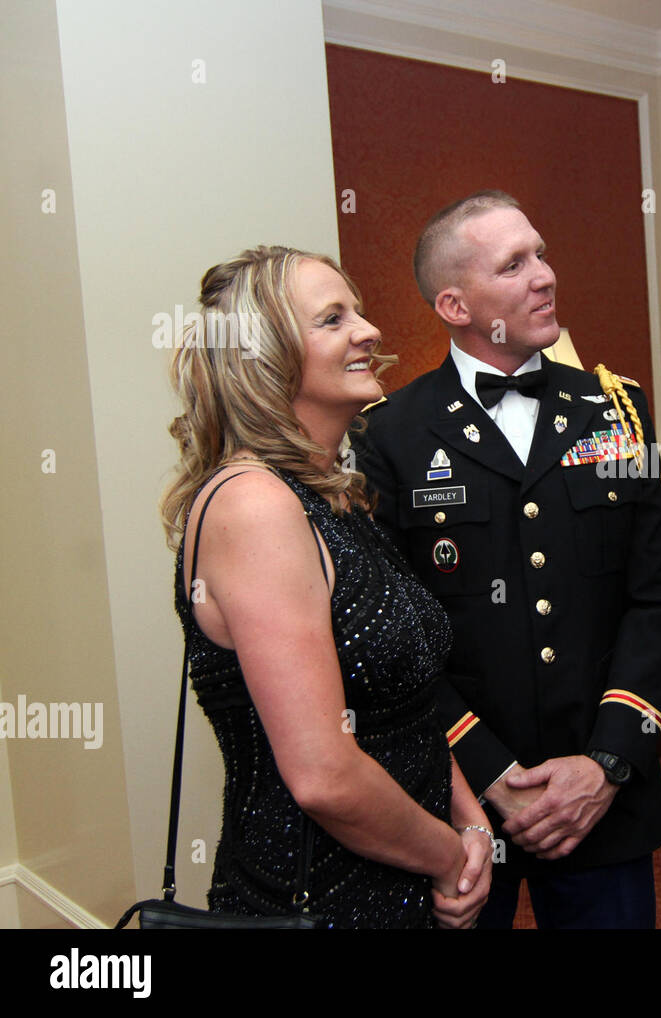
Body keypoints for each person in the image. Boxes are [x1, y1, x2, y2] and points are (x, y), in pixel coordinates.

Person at [351, 191, 661, 929]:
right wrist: (489, 771)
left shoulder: (614, 409)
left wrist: (606, 762)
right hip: (457, 804)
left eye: (541, 253)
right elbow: (388, 636)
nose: (545, 275)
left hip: (603, 795)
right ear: (455, 304)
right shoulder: (390, 436)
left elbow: (657, 598)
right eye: (514, 264)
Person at [161, 245, 493, 928]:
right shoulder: (254, 505)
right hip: (324, 902)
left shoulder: (336, 499)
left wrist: (475, 825)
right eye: (332, 319)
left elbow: (405, 708)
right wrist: (449, 857)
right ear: (265, 357)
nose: (369, 331)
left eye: (360, 313)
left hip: (413, 876)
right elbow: (322, 777)